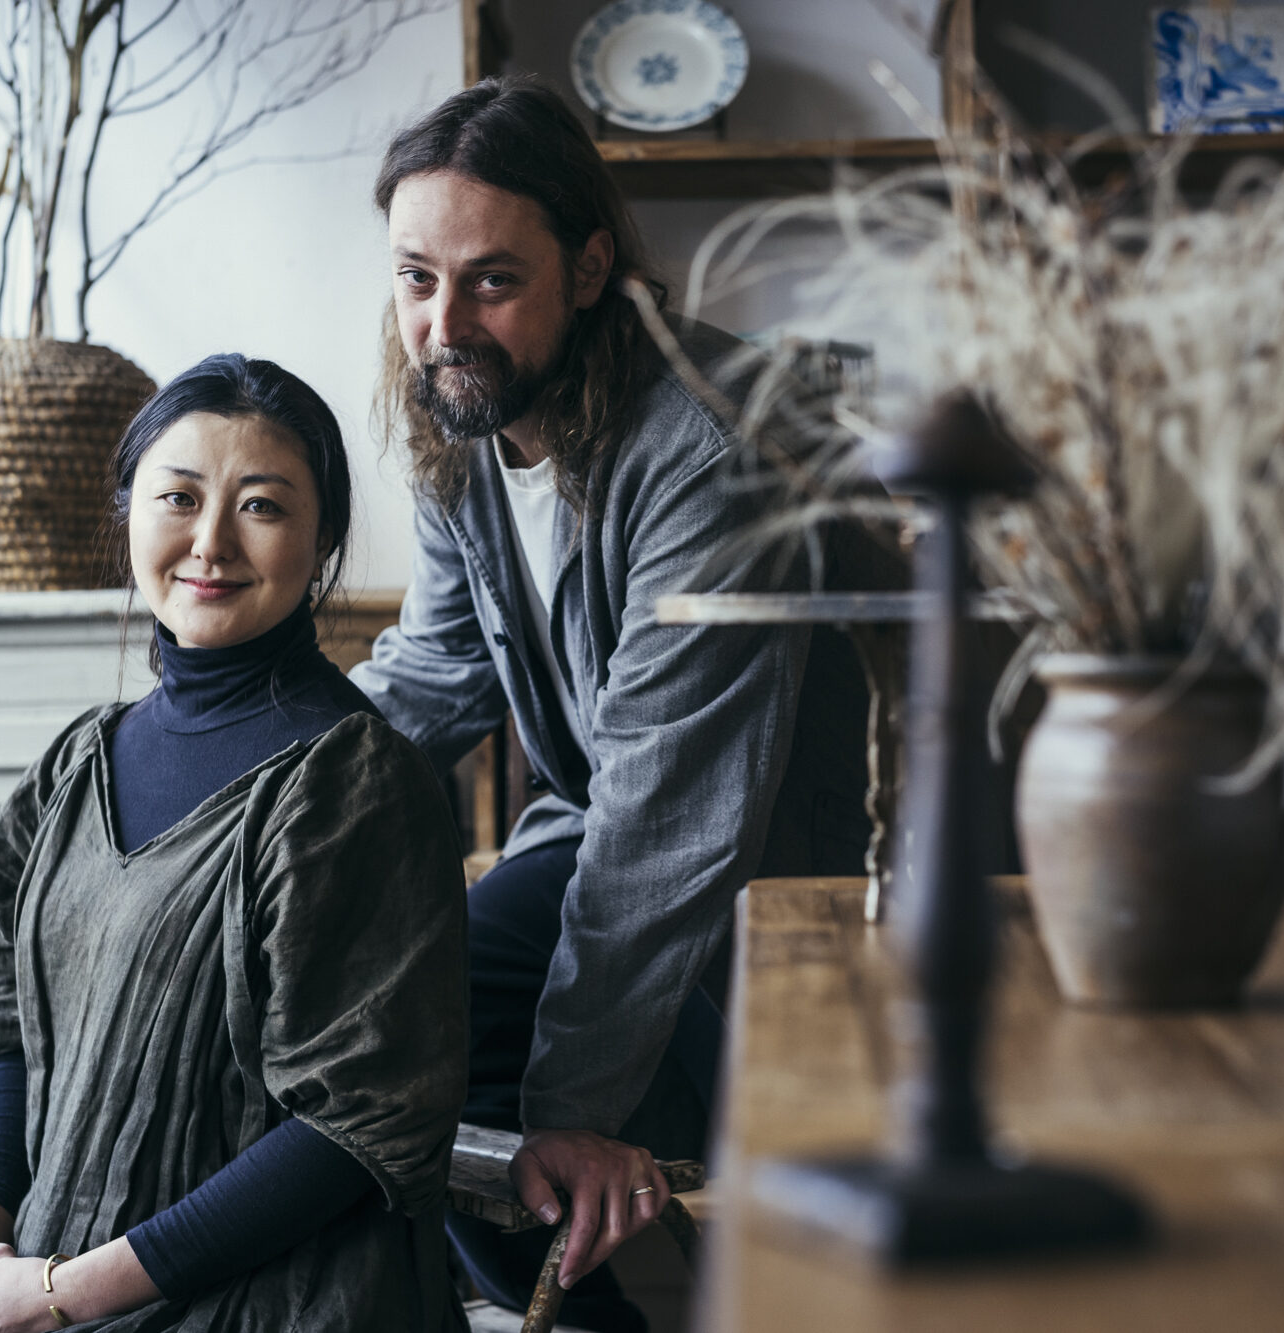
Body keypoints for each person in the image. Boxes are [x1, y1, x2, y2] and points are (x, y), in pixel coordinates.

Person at [353, 78, 877, 1331]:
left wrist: (568, 1107)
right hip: (607, 827)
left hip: (793, 860)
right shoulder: (465, 413)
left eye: (490, 279)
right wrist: (245, 796)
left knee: (519, 1069)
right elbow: (430, 674)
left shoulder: (701, 443)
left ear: (589, 268)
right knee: (412, 1030)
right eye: (415, 277)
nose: (441, 323)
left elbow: (667, 821)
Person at [0, 355, 469, 1333]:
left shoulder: (354, 783)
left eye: (262, 505)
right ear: (127, 510)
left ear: (321, 537)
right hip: (53, 1285)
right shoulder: (73, 765)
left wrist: (62, 1293)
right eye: (177, 496)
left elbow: (353, 1129)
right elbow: (14, 1036)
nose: (210, 541)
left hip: (276, 1302)